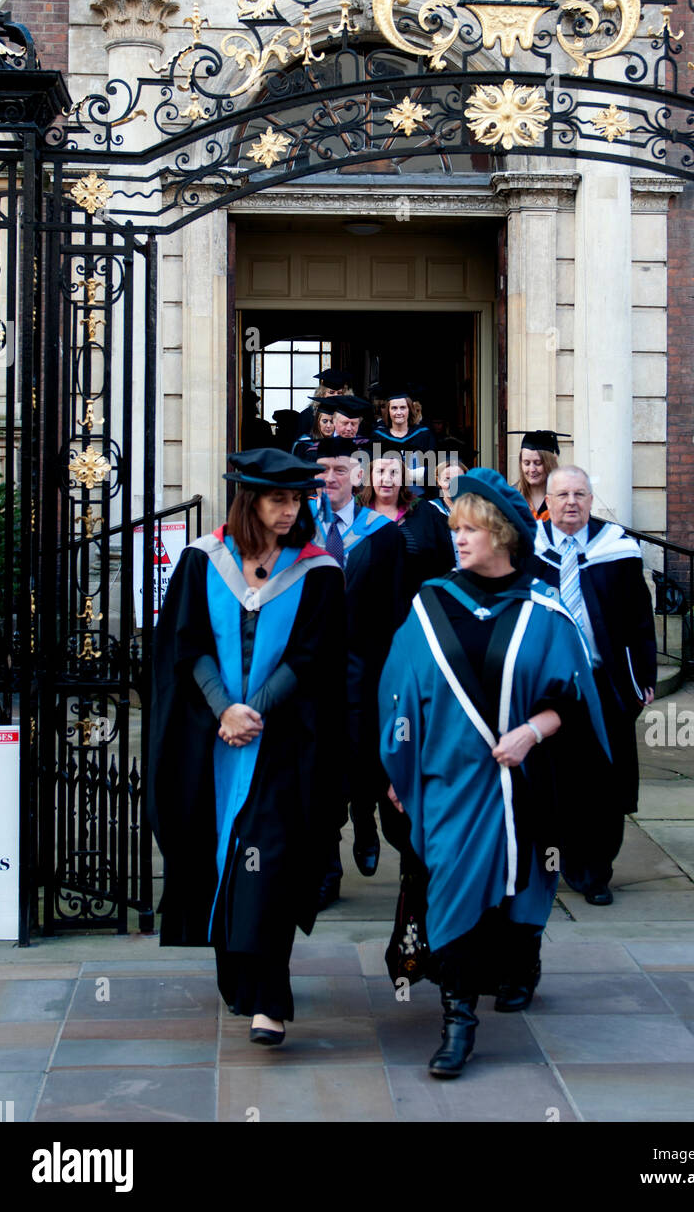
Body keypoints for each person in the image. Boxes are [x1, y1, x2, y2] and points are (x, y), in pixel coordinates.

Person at [379, 468, 612, 1078]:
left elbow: (574, 701)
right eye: (455, 528)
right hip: (449, 781)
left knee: (527, 882)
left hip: (525, 784)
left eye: (471, 529)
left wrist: (532, 732)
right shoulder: (429, 605)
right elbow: (400, 697)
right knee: (452, 889)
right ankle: (458, 1021)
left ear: (504, 535)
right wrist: (397, 774)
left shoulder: (545, 610)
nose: (458, 538)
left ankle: (523, 962)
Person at [147, 449, 346, 1047]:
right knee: (221, 858)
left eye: (296, 500)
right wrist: (223, 709)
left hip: (281, 745)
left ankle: (270, 997)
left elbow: (314, 658)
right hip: (213, 740)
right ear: (249, 502)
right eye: (277, 500)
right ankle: (239, 974)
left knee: (270, 861)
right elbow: (185, 646)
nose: (290, 511)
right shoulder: (202, 562)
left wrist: (255, 711)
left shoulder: (318, 570)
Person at [532, 464, 656, 906]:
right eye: (562, 494)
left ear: (590, 499)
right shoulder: (529, 547)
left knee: (604, 780)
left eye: (580, 494)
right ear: (547, 500)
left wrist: (643, 677)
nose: (571, 502)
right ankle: (555, 862)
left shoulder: (616, 548)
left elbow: (640, 619)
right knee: (553, 778)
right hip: (548, 688)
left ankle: (596, 871)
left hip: (605, 682)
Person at [312, 437, 407, 900]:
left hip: (365, 669)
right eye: (322, 468)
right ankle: (326, 870)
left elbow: (393, 609)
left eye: (339, 468)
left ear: (357, 474)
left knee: (364, 757)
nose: (330, 477)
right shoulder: (295, 529)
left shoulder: (383, 534)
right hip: (308, 671)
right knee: (317, 771)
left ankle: (366, 822)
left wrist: (392, 672)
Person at [400, 458, 467, 593]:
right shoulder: (428, 511)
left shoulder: (477, 512)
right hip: (443, 584)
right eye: (447, 479)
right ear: (439, 481)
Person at [371, 387, 438, 490]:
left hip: (419, 493)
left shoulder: (424, 434)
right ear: (388, 411)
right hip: (388, 490)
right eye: (394, 408)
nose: (399, 412)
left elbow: (432, 471)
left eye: (403, 407)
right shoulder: (378, 436)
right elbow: (374, 470)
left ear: (409, 410)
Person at [513, 430, 562, 524]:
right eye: (526, 463)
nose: (532, 469)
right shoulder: (512, 498)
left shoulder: (564, 497)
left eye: (538, 463)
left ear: (550, 463)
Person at [363, 452, 419, 526]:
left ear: (402, 478)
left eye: (394, 472)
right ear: (370, 476)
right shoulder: (354, 511)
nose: (387, 480)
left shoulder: (422, 510)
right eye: (380, 471)